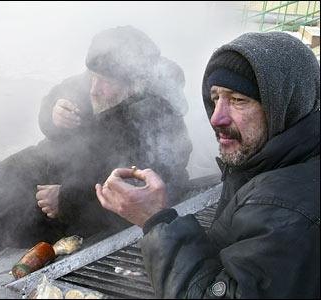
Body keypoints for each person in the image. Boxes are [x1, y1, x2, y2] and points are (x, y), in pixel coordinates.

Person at [0, 25, 192, 298]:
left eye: (106, 82)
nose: (94, 89)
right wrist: (53, 112)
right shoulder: (96, 79)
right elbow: (56, 99)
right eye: (92, 77)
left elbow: (157, 191)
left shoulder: (157, 117)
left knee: (18, 241)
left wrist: (71, 200)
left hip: (84, 212)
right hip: (53, 168)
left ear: (135, 83)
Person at [96, 31, 320, 298]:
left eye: (238, 100)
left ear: (285, 106)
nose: (216, 118)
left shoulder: (286, 209)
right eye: (215, 98)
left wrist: (156, 220)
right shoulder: (272, 159)